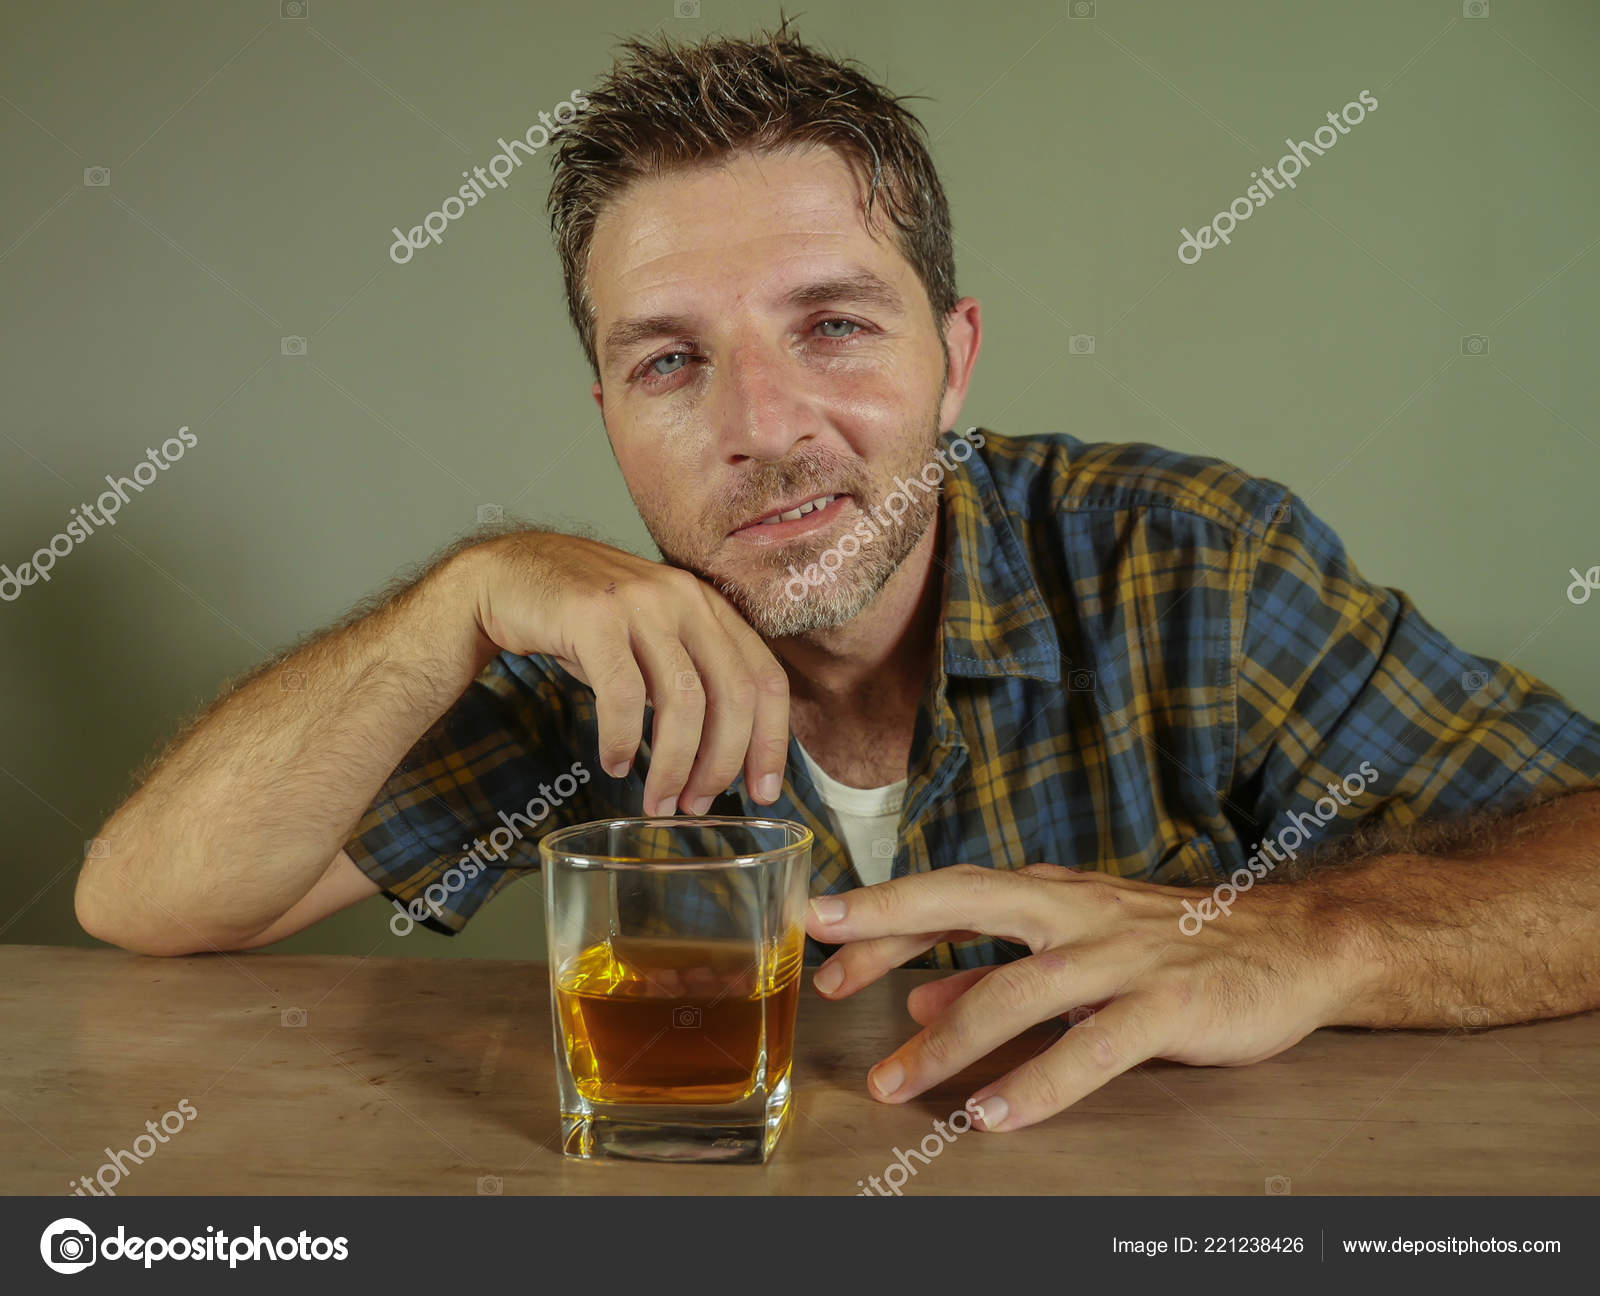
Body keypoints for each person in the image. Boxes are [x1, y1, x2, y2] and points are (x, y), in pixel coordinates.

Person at [76, 21, 1600, 1133]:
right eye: (671, 361)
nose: (761, 430)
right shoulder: (580, 657)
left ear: (956, 363)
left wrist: (1317, 940)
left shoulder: (1193, 569)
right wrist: (458, 595)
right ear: (610, 415)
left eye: (836, 326)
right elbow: (152, 903)